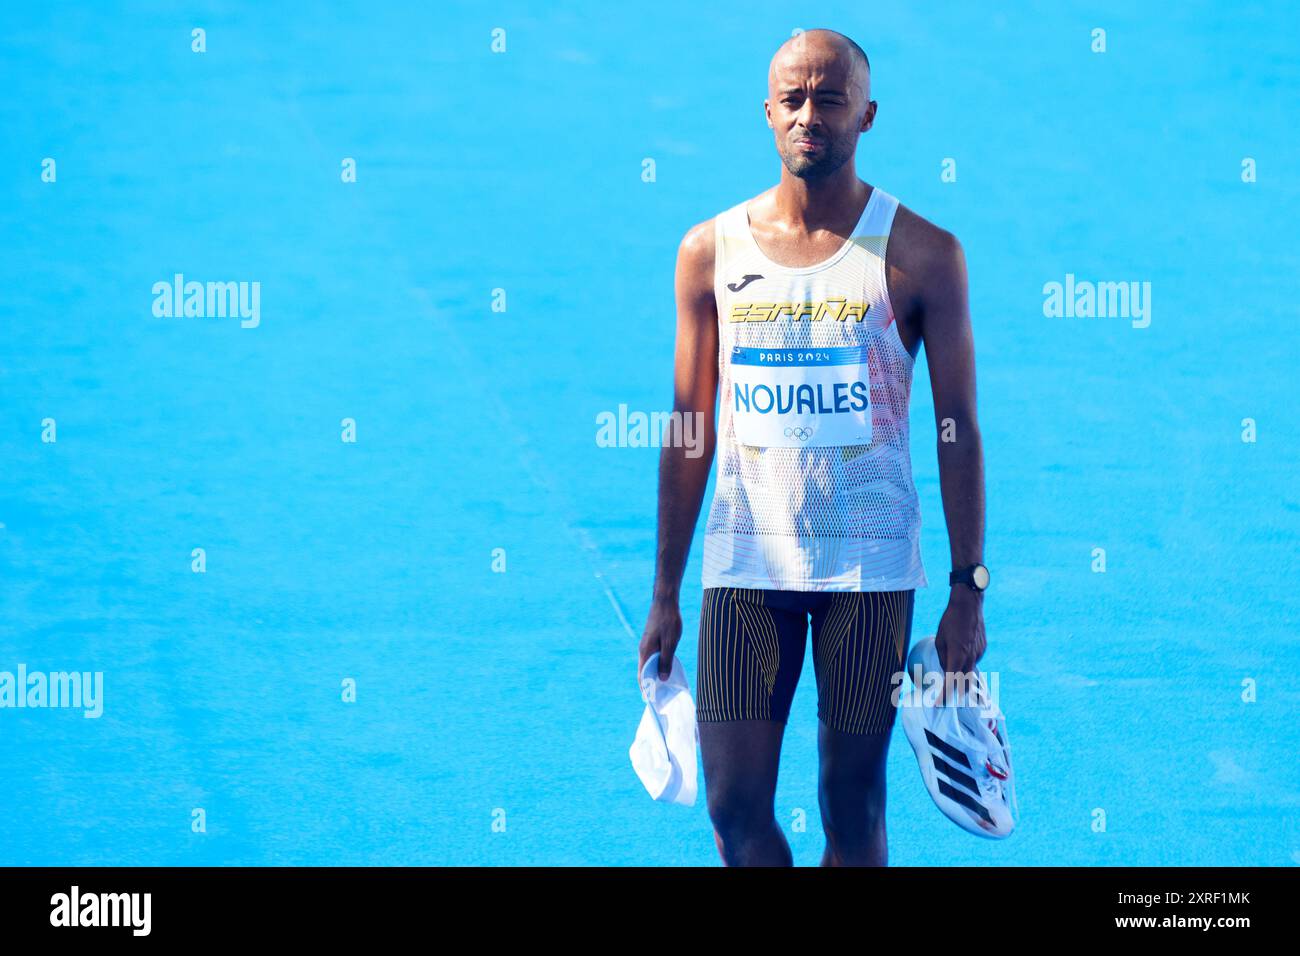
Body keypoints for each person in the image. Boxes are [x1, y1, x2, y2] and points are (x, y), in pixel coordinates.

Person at [638, 27, 989, 866]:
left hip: (866, 577)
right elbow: (689, 426)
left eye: (829, 99)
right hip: (744, 569)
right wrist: (664, 589)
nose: (809, 115)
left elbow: (958, 428)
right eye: (792, 100)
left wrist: (967, 587)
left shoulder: (921, 255)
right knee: (731, 809)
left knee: (852, 805)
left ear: (866, 114)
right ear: (766, 113)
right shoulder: (708, 252)